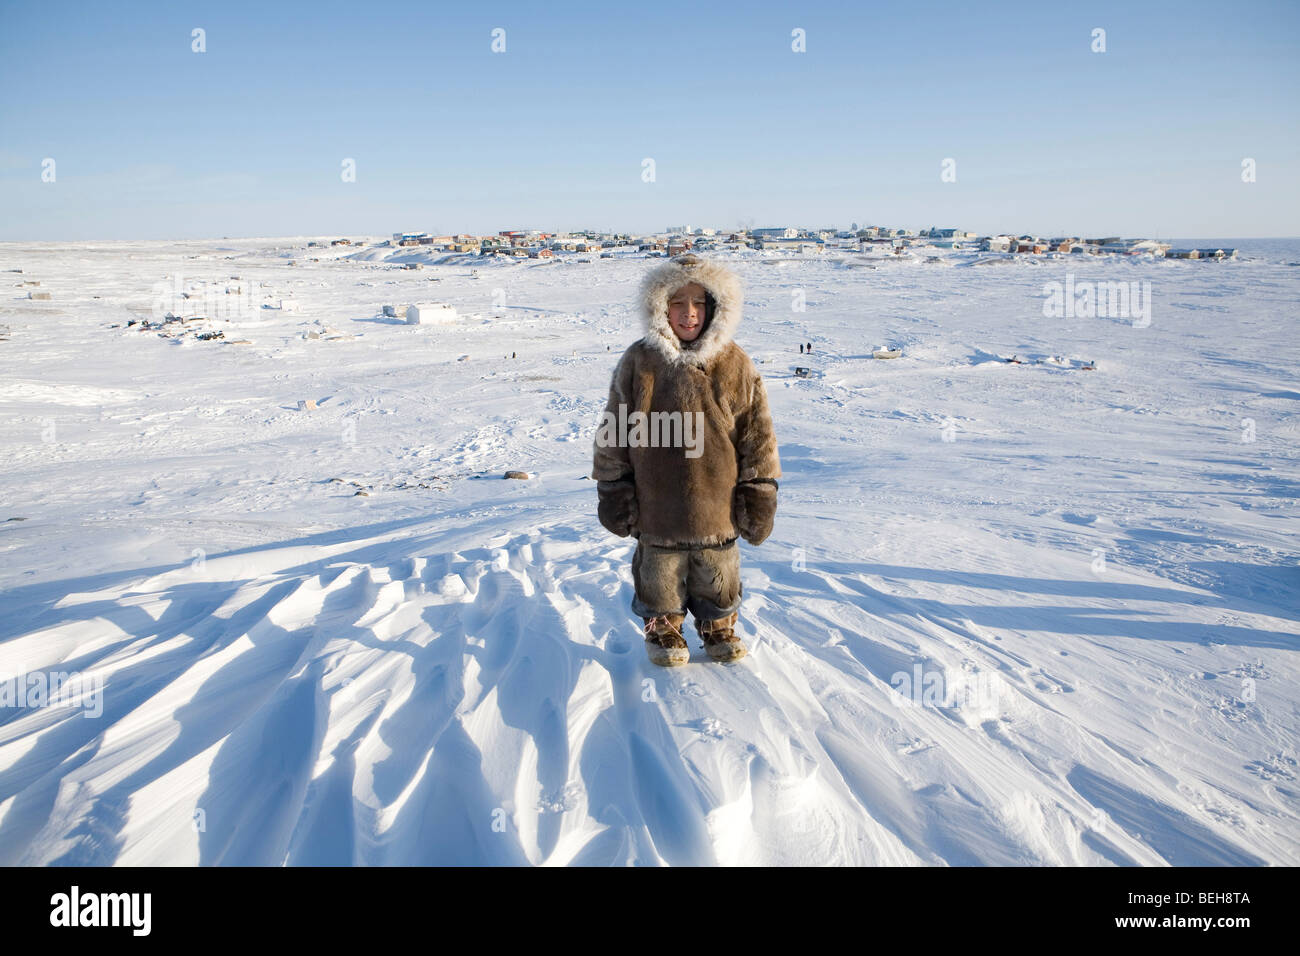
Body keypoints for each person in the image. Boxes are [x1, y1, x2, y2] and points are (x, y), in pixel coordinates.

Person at [592, 254, 780, 665]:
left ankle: (718, 627)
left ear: (715, 307)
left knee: (718, 574)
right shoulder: (639, 362)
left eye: (699, 302)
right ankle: (664, 629)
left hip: (718, 507)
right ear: (660, 307)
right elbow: (613, 430)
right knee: (659, 576)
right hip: (656, 508)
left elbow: (758, 433)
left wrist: (760, 491)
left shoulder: (735, 362)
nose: (689, 313)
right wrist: (613, 488)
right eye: (678, 302)